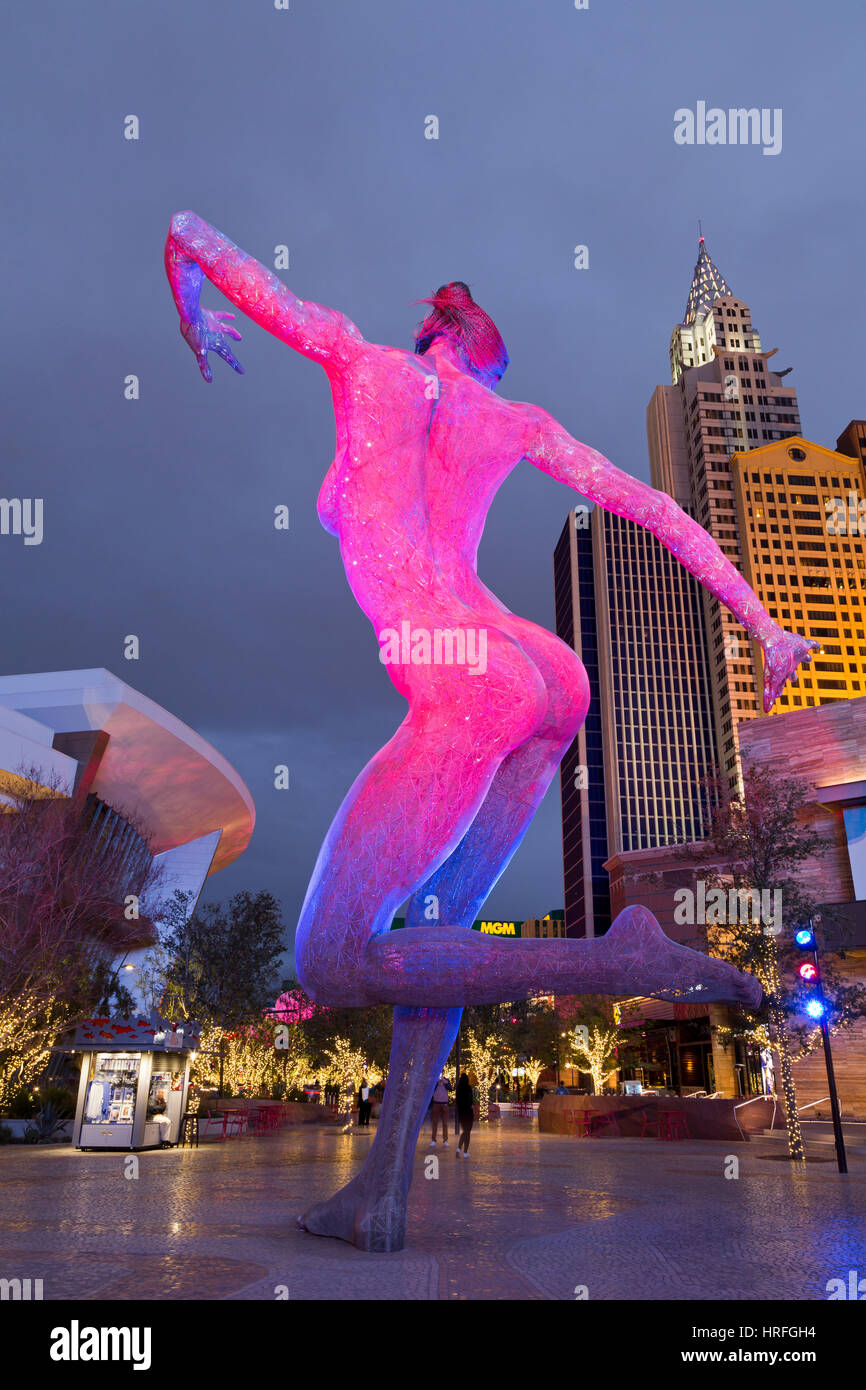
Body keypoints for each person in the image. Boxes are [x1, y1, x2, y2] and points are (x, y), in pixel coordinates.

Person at [165, 215, 816, 1250]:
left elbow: (197, 235)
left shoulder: (359, 360)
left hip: (456, 677)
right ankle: (378, 1194)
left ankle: (616, 959)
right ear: (479, 353)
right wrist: (758, 618)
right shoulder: (512, 421)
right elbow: (645, 502)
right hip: (538, 670)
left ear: (431, 333)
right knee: (435, 943)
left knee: (329, 958)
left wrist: (185, 297)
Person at [455, 1072, 476, 1158]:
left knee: (465, 1132)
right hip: (468, 1113)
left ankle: (459, 1150)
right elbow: (471, 1101)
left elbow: (457, 1102)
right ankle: (464, 1151)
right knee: (467, 1132)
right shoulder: (468, 1088)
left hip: (462, 1114)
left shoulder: (458, 1089)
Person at [429, 1073, 450, 1146]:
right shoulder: (434, 1081)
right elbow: (431, 1089)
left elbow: (450, 1089)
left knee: (445, 1123)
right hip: (436, 1103)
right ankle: (433, 1140)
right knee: (435, 1122)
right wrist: (436, 1082)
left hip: (445, 1103)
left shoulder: (446, 1080)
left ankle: (445, 1140)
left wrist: (444, 1081)